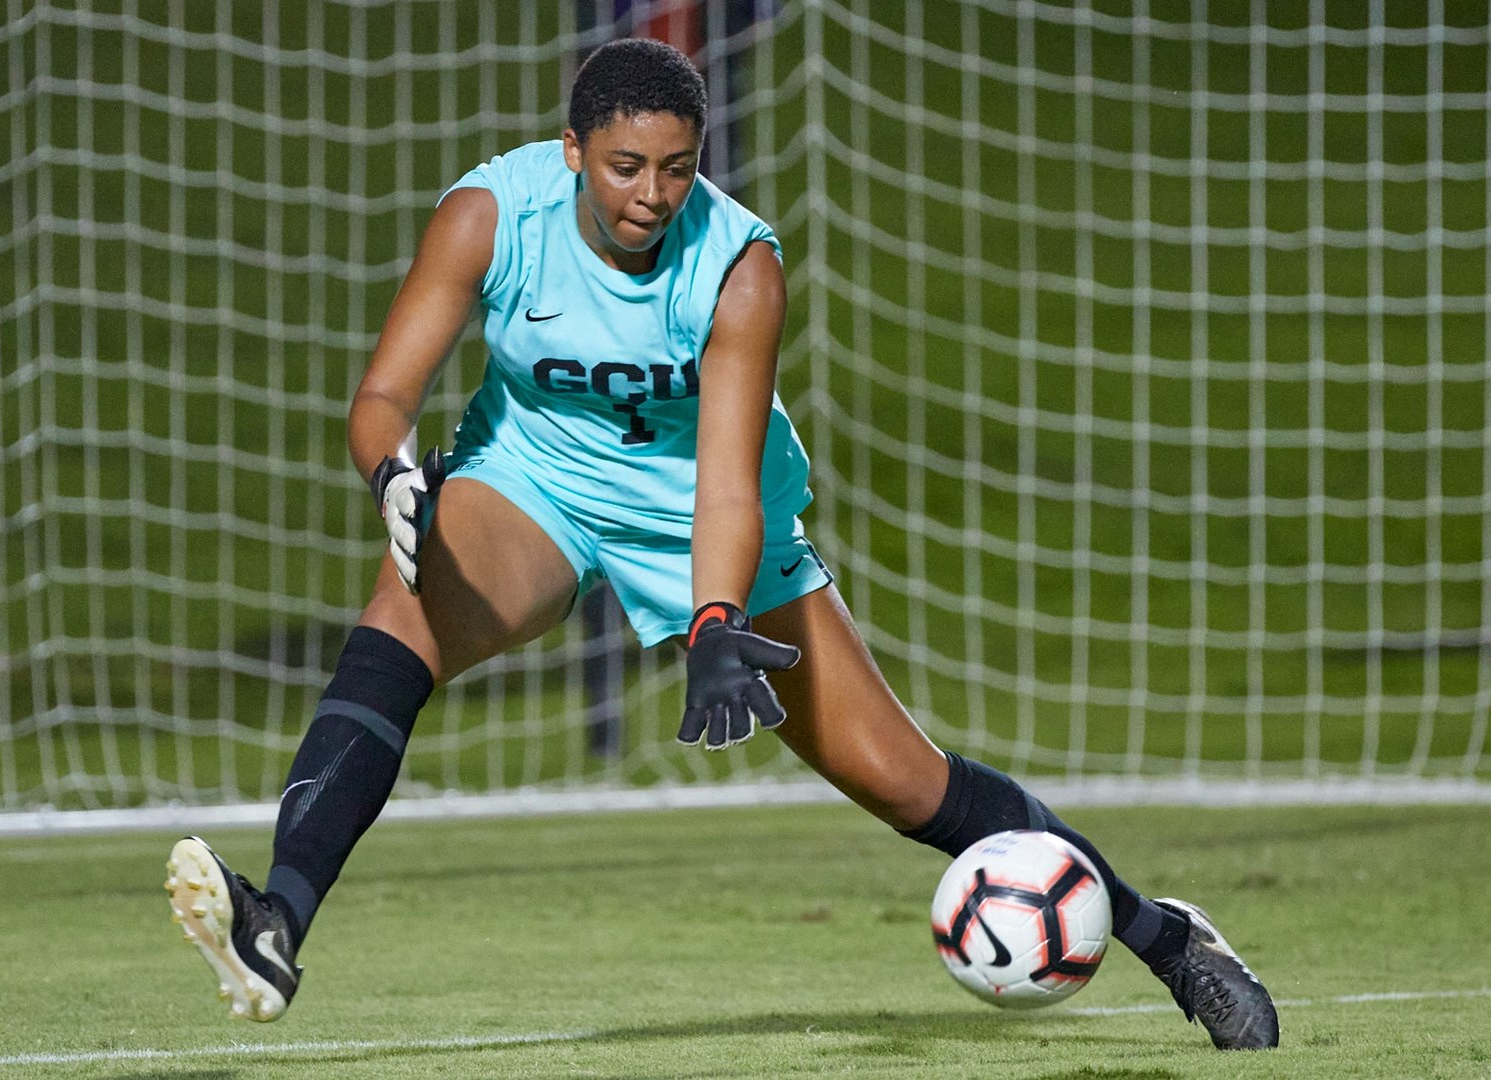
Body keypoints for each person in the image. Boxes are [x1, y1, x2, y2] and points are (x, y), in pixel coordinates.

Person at [163, 37, 1278, 1050]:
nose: (651, 194)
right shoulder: (489, 216)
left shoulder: (740, 266)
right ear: (571, 152)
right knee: (402, 608)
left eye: (677, 167)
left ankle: (1169, 943)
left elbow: (729, 488)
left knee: (909, 786)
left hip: (696, 507)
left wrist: (713, 620)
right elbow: (382, 393)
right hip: (534, 480)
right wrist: (394, 472)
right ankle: (276, 922)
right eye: (623, 166)